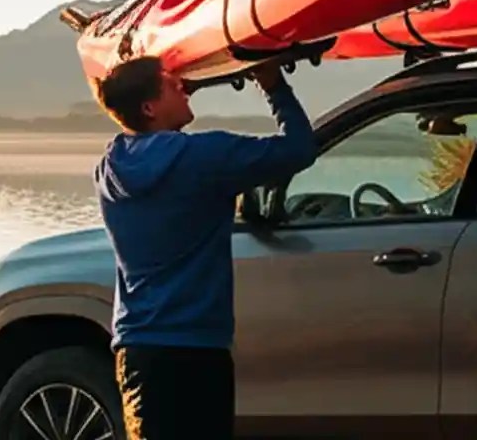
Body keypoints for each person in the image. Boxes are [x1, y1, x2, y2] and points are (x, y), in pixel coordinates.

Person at [90, 55, 317, 439]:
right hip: (196, 349)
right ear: (149, 107)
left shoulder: (108, 169)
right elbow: (299, 149)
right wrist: (273, 85)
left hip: (138, 350)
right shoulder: (205, 158)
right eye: (170, 83)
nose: (181, 84)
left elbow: (148, 130)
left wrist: (180, 85)